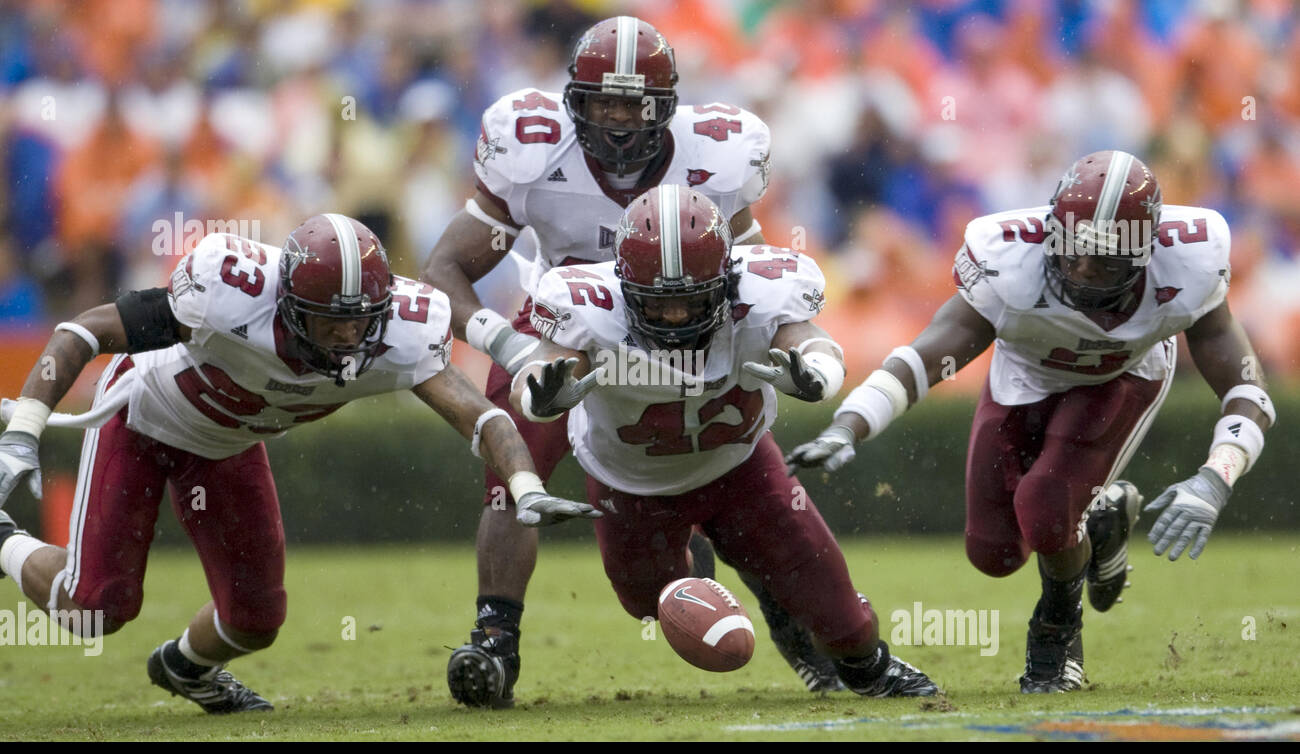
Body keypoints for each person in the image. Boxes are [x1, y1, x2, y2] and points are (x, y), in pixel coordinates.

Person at [0, 213, 599, 714]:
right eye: (328, 319)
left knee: (256, 620)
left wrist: (523, 483)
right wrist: (25, 429)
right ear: (286, 303)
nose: (345, 336)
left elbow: (485, 418)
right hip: (140, 420)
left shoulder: (401, 332)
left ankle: (185, 666)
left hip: (227, 447)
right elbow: (83, 330)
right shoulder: (226, 292)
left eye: (358, 318)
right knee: (95, 610)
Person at [423, 15, 842, 708]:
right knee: (510, 463)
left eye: (633, 103)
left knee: (728, 452)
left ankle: (777, 597)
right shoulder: (531, 150)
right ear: (574, 101)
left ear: (666, 106)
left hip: (685, 319)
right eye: (602, 101)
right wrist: (508, 343)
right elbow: (444, 269)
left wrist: (775, 332)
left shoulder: (717, 153)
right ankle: (496, 640)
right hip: (568, 320)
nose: (617, 120)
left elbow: (747, 256)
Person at [787, 150, 1275, 692]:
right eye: (1074, 251)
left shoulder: (1191, 262)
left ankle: (1057, 633)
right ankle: (1100, 518)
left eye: (1107, 260)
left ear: (1147, 253)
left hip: (1121, 380)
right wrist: (849, 423)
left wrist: (1215, 478)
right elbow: (923, 359)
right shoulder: (1007, 262)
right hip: (1022, 379)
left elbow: (1246, 388)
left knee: (1045, 511)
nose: (1085, 270)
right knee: (992, 555)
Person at [495, 184, 939, 698]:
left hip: (742, 469)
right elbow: (547, 365)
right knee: (649, 603)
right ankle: (704, 554)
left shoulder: (765, 288)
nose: (678, 316)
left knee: (841, 615)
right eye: (660, 304)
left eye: (693, 299)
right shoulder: (586, 305)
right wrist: (540, 395)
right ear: (624, 287)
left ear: (727, 280)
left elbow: (807, 337)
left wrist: (818, 371)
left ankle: (869, 669)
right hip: (630, 485)